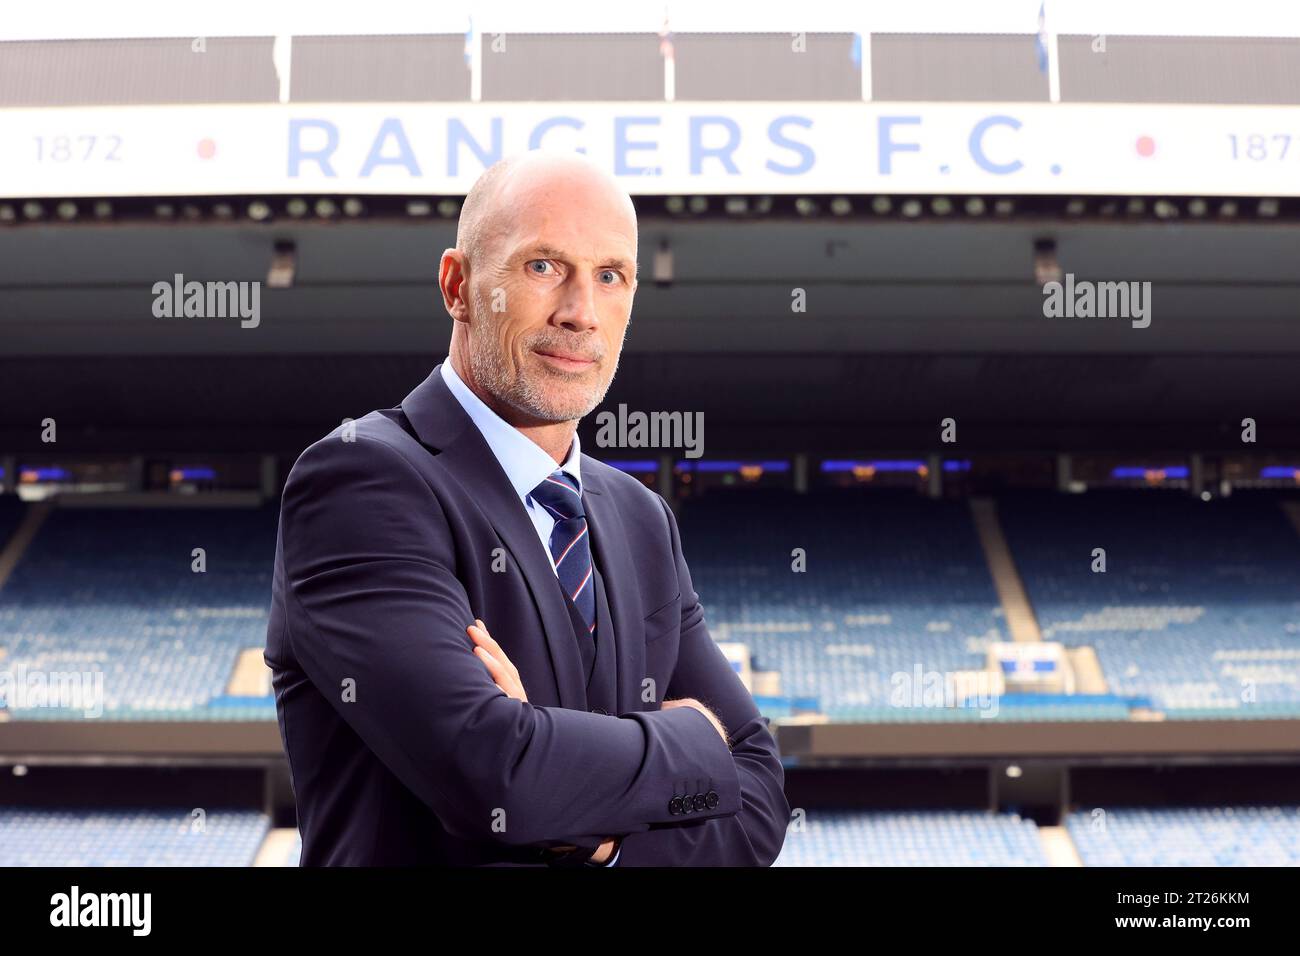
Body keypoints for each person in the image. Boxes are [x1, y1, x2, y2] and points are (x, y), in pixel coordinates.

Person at [265, 150, 789, 866]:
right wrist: (696, 741)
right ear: (459, 285)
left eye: (610, 276)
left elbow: (760, 804)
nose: (579, 314)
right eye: (543, 267)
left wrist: (593, 835)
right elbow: (491, 772)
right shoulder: (363, 478)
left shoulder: (641, 519)